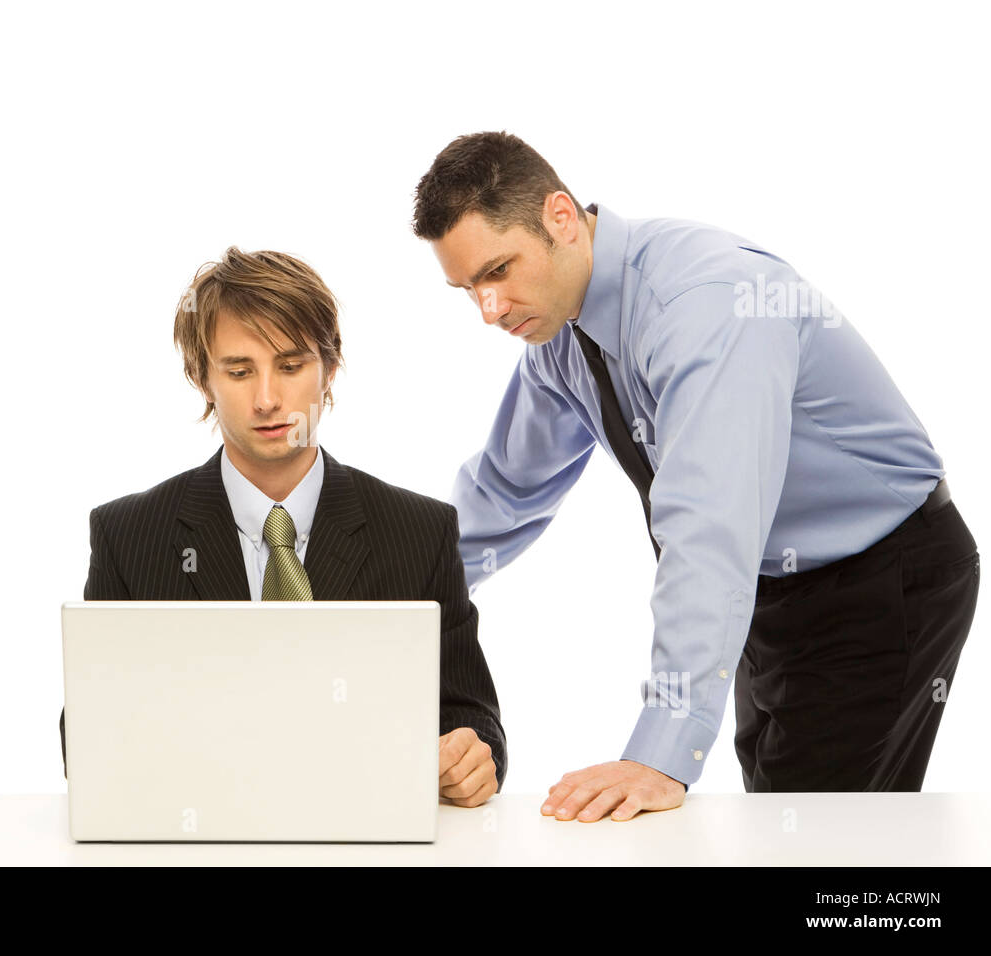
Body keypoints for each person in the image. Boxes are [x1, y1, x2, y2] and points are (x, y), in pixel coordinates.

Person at [412, 130, 979, 821]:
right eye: (467, 288)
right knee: (780, 817)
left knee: (815, 840)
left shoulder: (708, 301)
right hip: (771, 592)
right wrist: (386, 604)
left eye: (498, 271)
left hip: (880, 578)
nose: (488, 310)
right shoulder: (560, 332)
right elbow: (503, 491)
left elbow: (708, 528)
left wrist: (660, 751)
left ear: (560, 217)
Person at [59, 247, 507, 806]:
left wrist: (472, 759)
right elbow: (86, 741)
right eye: (239, 371)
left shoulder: (420, 531)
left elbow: (472, 718)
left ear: (330, 369)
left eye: (291, 367)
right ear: (202, 378)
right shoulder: (128, 535)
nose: (268, 400)